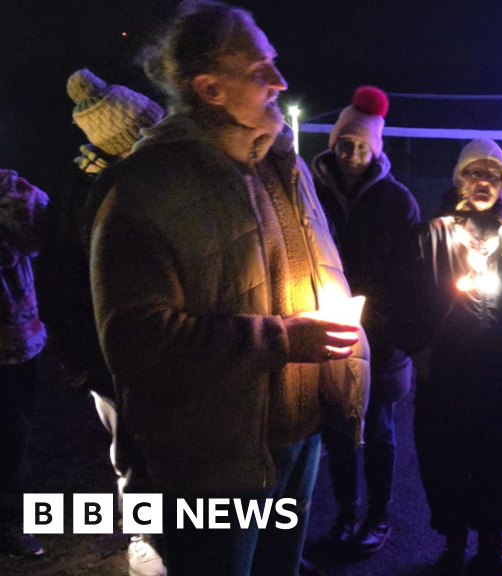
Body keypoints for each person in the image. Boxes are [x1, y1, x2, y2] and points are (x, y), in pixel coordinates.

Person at [86, 2, 369, 574]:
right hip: (213, 462)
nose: (280, 81)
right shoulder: (146, 188)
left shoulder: (283, 167)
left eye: (275, 63)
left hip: (298, 441)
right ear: (209, 88)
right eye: (258, 69)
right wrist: (283, 339)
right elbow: (137, 342)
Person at [34, 67, 167, 576]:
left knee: (160, 447)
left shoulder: (126, 181)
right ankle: (146, 539)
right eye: (148, 132)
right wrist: (80, 359)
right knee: (132, 451)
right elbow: (62, 283)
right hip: (108, 354)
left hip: (142, 347)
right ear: (124, 140)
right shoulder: (87, 199)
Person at [405, 138, 502, 575]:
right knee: (446, 457)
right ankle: (452, 541)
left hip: (500, 376)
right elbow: (406, 299)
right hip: (447, 372)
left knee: (499, 459)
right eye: (474, 173)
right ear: (459, 179)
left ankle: (492, 541)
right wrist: (420, 349)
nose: (483, 182)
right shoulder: (432, 236)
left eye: (492, 175)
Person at [311, 85, 420, 556]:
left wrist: (392, 331)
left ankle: (378, 516)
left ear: (376, 149)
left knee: (378, 430)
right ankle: (346, 512)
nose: (353, 154)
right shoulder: (309, 188)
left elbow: (411, 274)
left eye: (363, 146)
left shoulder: (398, 201)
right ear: (333, 143)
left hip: (379, 339)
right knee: (337, 430)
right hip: (325, 332)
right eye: (345, 144)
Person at [0, 169, 48, 558]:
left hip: (18, 339)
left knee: (16, 437)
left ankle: (10, 523)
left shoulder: (9, 187)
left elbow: (40, 227)